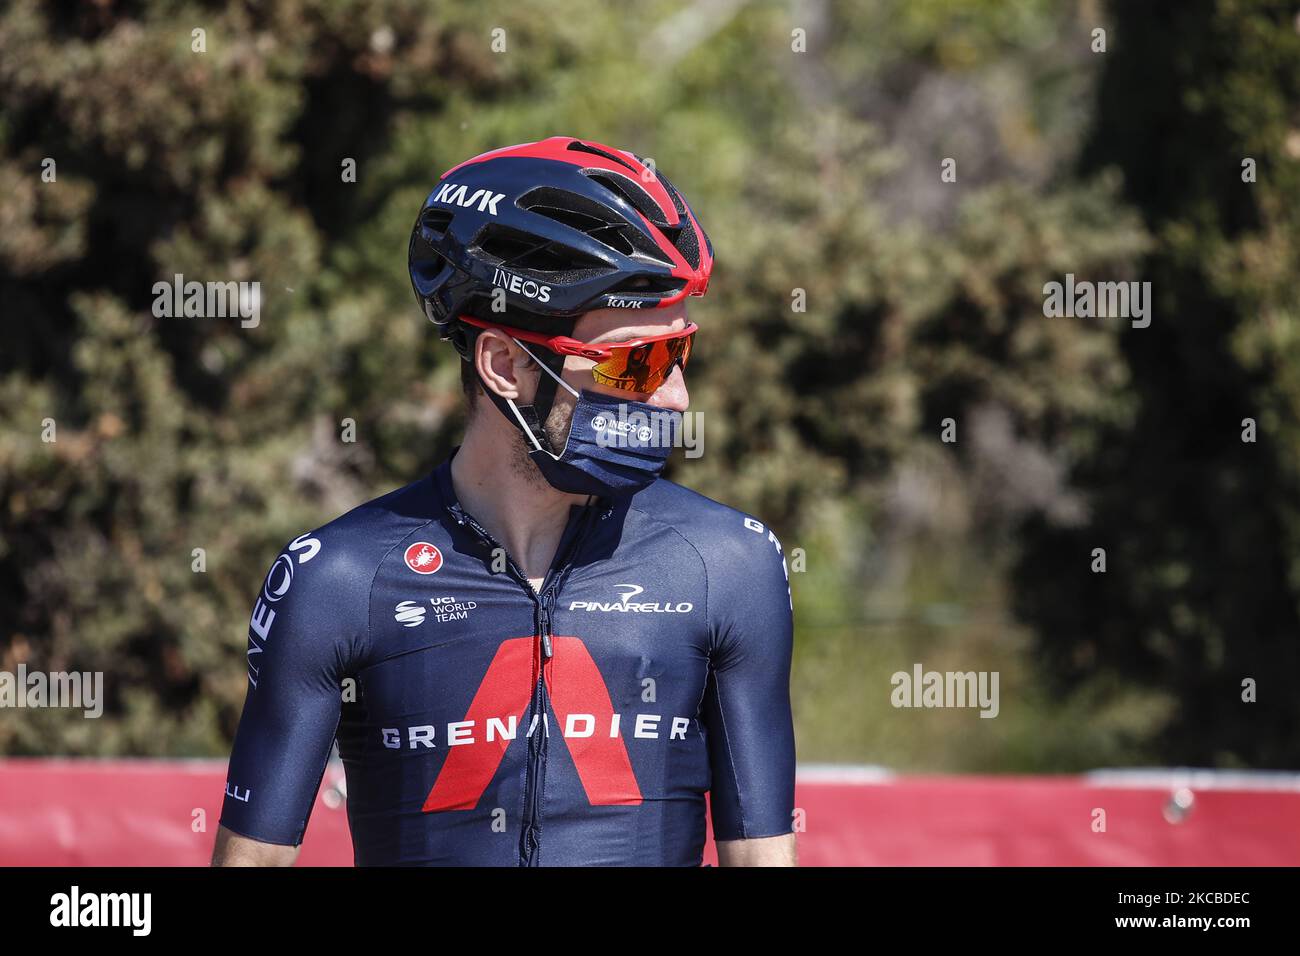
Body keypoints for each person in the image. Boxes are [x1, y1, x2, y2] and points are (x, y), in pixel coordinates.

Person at [212, 136, 796, 867]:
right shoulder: (336, 579)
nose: (676, 396)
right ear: (506, 364)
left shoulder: (728, 565)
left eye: (678, 354)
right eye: (637, 362)